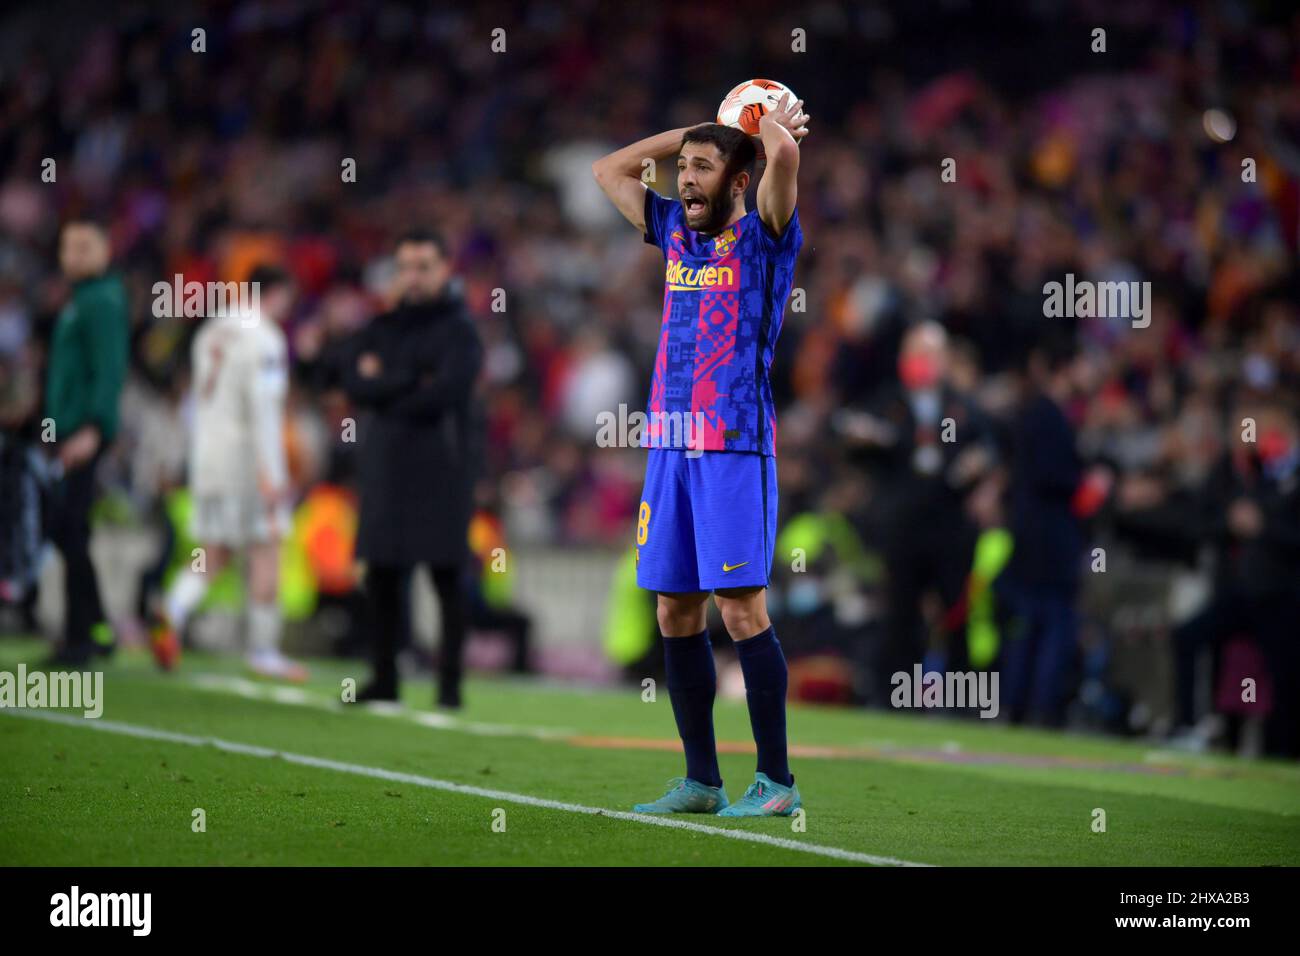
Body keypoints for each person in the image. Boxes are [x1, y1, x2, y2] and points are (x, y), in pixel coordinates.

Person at [591, 96, 808, 817]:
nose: (684, 179)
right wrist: (689, 131)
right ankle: (701, 782)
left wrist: (761, 127)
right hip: (669, 446)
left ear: (736, 181)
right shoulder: (673, 236)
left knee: (741, 609)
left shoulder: (765, 239)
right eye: (681, 168)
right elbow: (609, 168)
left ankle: (776, 782)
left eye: (702, 168)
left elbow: (783, 159)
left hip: (733, 445)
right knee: (674, 613)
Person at [342, 230, 483, 709]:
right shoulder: (383, 325)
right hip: (386, 466)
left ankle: (449, 687)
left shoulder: (461, 330)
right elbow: (349, 378)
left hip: (442, 470)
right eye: (405, 266)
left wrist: (384, 381)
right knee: (381, 575)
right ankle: (384, 678)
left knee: (446, 579)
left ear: (446, 269)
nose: (413, 276)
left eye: (424, 266)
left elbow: (443, 393)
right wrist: (406, 379)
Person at [151, 265, 306, 681]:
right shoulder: (266, 338)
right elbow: (263, 410)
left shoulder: (210, 331)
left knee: (214, 550)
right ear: (276, 293)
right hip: (247, 463)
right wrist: (272, 472)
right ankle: (264, 651)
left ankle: (172, 610)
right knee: (266, 547)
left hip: (207, 458)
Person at [43, 221, 129, 666]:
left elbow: (109, 369)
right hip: (67, 432)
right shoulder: (82, 300)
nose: (72, 255)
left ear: (105, 249)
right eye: (67, 246)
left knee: (68, 526)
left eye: (83, 246)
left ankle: (82, 636)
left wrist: (93, 428)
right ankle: (97, 629)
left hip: (83, 433)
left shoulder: (101, 301)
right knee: (68, 528)